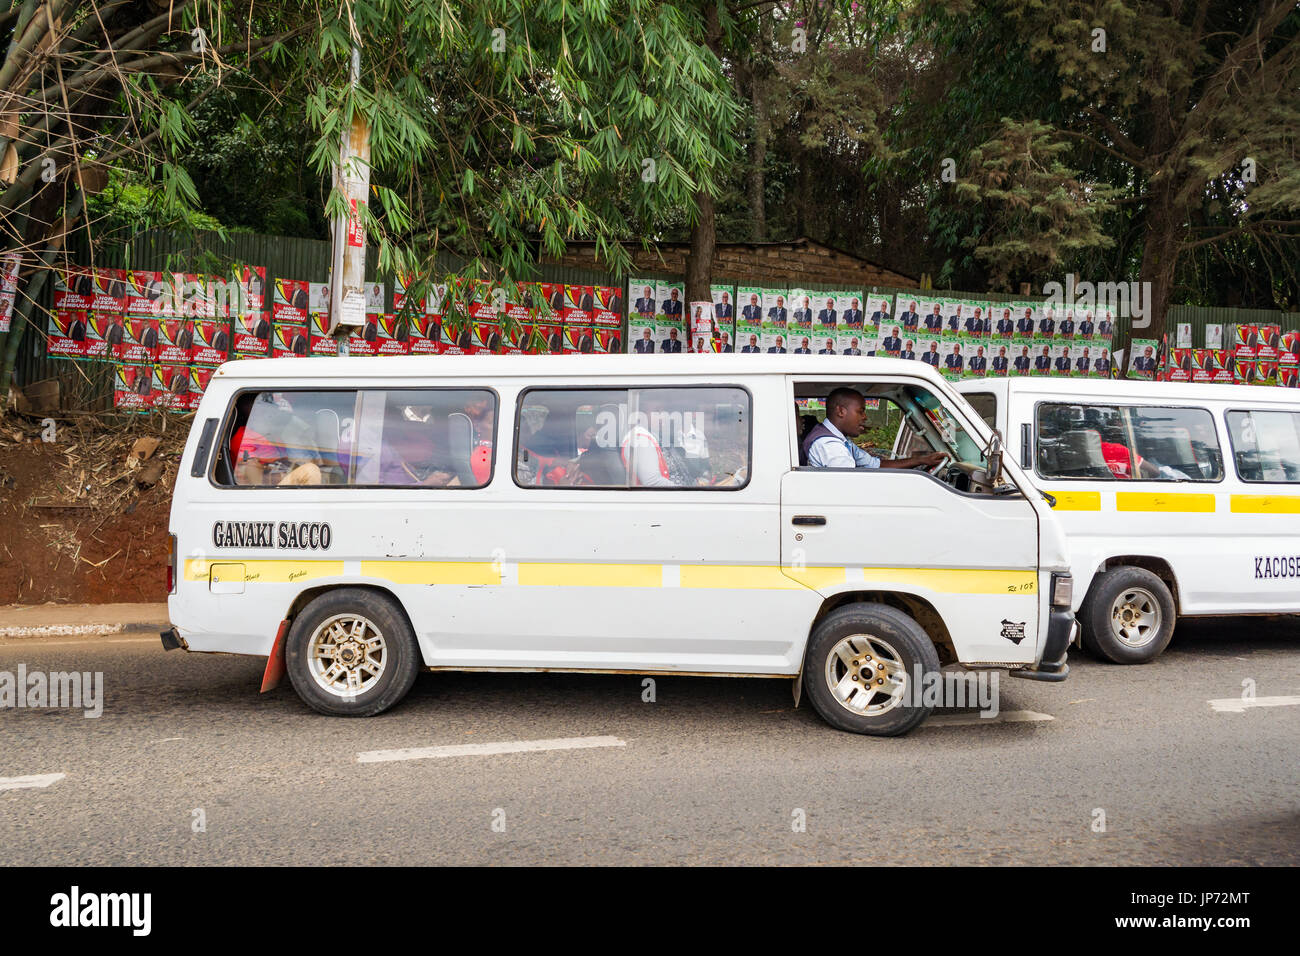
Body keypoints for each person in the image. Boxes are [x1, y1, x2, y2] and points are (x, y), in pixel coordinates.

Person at [803, 388, 948, 470]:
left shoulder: (840, 440)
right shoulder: (831, 447)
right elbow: (849, 488)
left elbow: (876, 464)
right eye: (860, 411)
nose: (865, 417)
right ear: (841, 411)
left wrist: (922, 460)